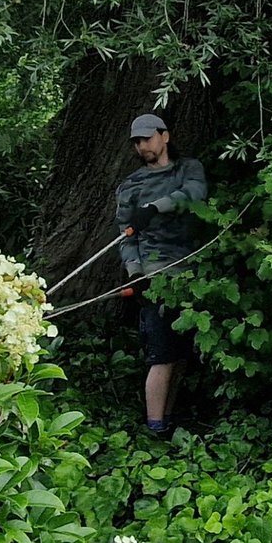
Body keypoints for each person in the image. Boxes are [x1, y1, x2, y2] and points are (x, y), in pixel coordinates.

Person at [115, 113, 208, 435]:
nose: (142, 146)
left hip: (192, 273)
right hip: (156, 276)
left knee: (181, 356)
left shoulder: (188, 169)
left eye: (147, 138)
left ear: (164, 136)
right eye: (137, 142)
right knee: (161, 355)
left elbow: (195, 194)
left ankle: (167, 419)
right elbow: (126, 237)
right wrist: (135, 273)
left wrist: (156, 207)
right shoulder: (130, 186)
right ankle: (155, 429)